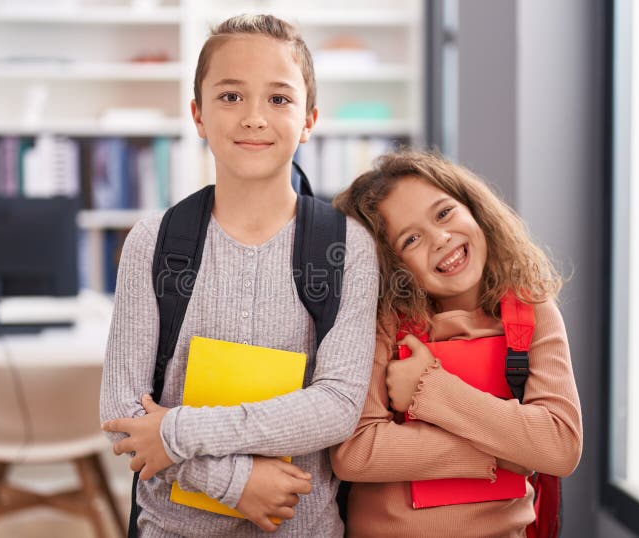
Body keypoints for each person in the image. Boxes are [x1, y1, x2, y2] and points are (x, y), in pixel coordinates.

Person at [99, 14, 380, 538]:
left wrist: (176, 431)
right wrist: (236, 481)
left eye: (278, 99)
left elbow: (338, 405)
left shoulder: (347, 248)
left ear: (310, 119)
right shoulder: (153, 243)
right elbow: (123, 412)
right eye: (230, 96)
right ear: (198, 114)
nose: (254, 117)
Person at [329, 151, 582, 537]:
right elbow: (355, 453)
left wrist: (430, 388)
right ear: (389, 264)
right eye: (411, 239)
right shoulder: (381, 322)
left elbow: (560, 445)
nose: (440, 238)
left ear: (474, 208)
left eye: (444, 213)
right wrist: (509, 451)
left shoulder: (533, 311)